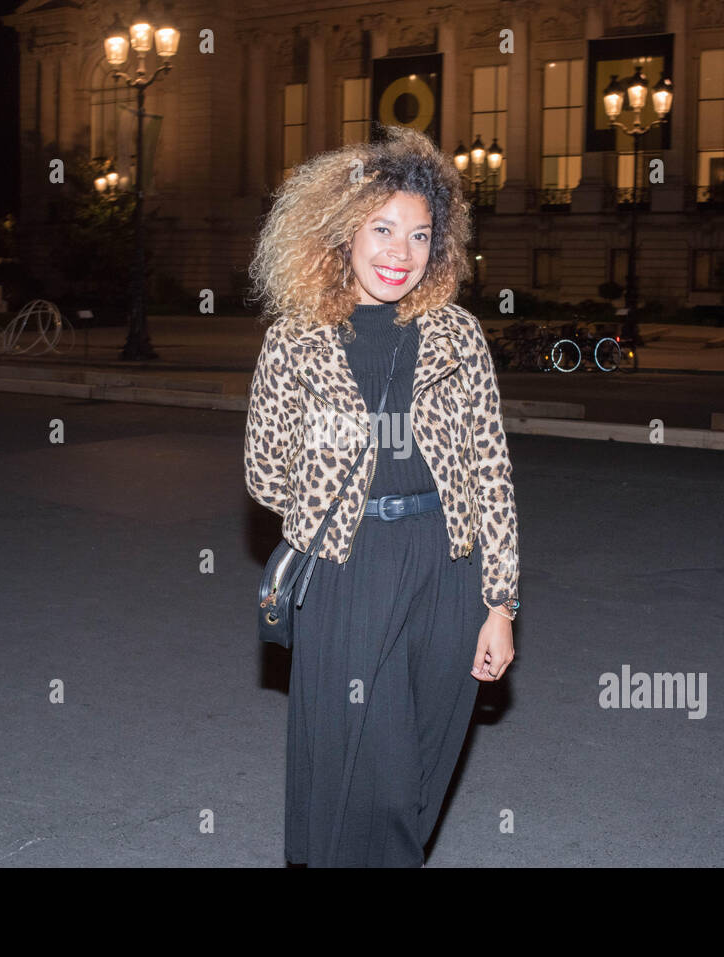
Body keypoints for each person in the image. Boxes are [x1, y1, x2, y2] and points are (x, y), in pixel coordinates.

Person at [245, 124, 520, 868]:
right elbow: (266, 471)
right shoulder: (296, 340)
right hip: (349, 565)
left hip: (447, 568)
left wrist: (499, 605)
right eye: (383, 229)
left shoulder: (457, 336)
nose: (401, 253)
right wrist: (336, 474)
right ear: (344, 233)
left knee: (421, 772)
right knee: (380, 784)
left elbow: (491, 472)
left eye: (421, 236)